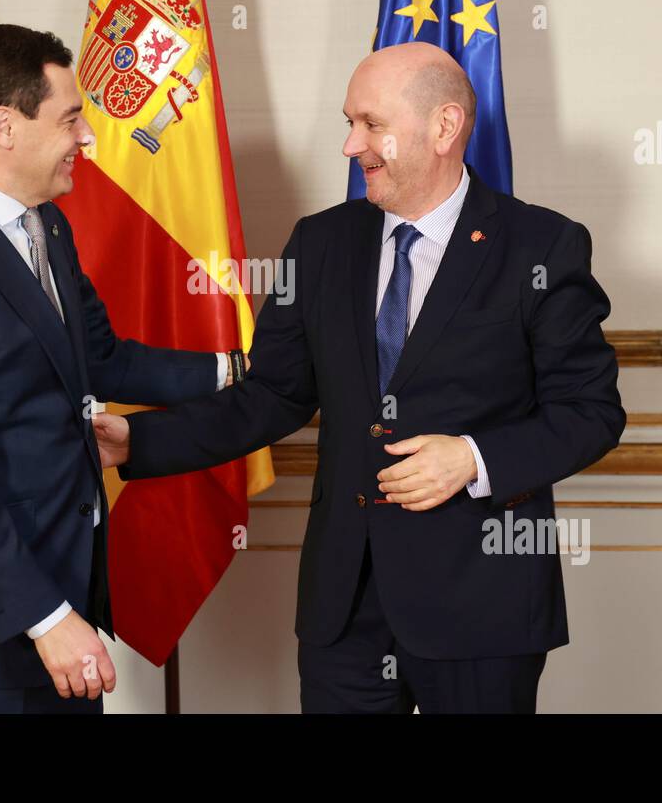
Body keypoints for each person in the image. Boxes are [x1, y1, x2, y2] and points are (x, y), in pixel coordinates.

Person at [94, 41, 626, 713]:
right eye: (350, 123)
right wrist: (137, 443)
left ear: (444, 127)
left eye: (372, 125)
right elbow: (273, 395)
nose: (351, 145)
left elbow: (590, 411)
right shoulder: (319, 244)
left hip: (481, 606)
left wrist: (471, 458)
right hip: (342, 610)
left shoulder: (541, 247)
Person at [0, 24, 236, 713]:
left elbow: (102, 358)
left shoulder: (46, 227)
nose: (87, 137)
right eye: (69, 118)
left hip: (61, 610)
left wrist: (236, 370)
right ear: (5, 126)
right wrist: (45, 617)